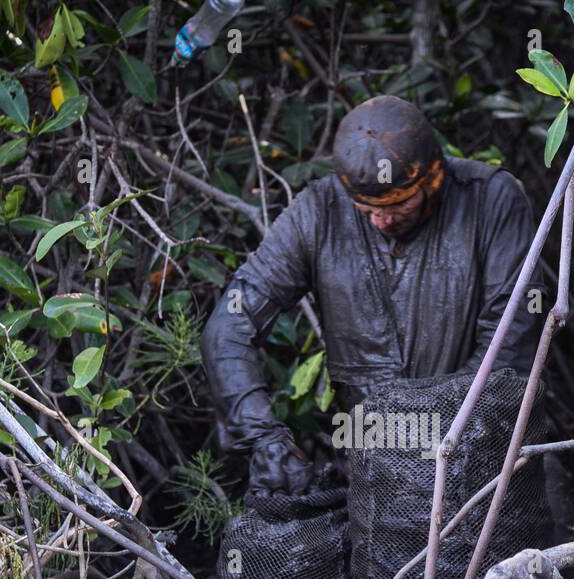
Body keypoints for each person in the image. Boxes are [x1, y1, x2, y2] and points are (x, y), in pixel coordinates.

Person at [201, 94, 544, 495]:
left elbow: (511, 342)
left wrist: (426, 433)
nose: (381, 220)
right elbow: (228, 327)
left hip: (488, 460)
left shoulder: (493, 200)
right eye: (365, 209)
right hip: (374, 472)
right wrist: (264, 438)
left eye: (398, 205)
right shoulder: (319, 211)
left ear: (433, 177)